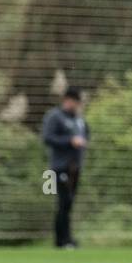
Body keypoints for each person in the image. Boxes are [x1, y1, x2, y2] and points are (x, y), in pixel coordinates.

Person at [42, 86, 90, 249]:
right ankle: (61, 240)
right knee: (63, 202)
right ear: (68, 100)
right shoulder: (55, 116)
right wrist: (70, 141)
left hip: (75, 168)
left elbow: (86, 136)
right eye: (76, 102)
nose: (78, 106)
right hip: (58, 167)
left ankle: (68, 239)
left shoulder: (79, 120)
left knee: (69, 204)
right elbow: (47, 138)